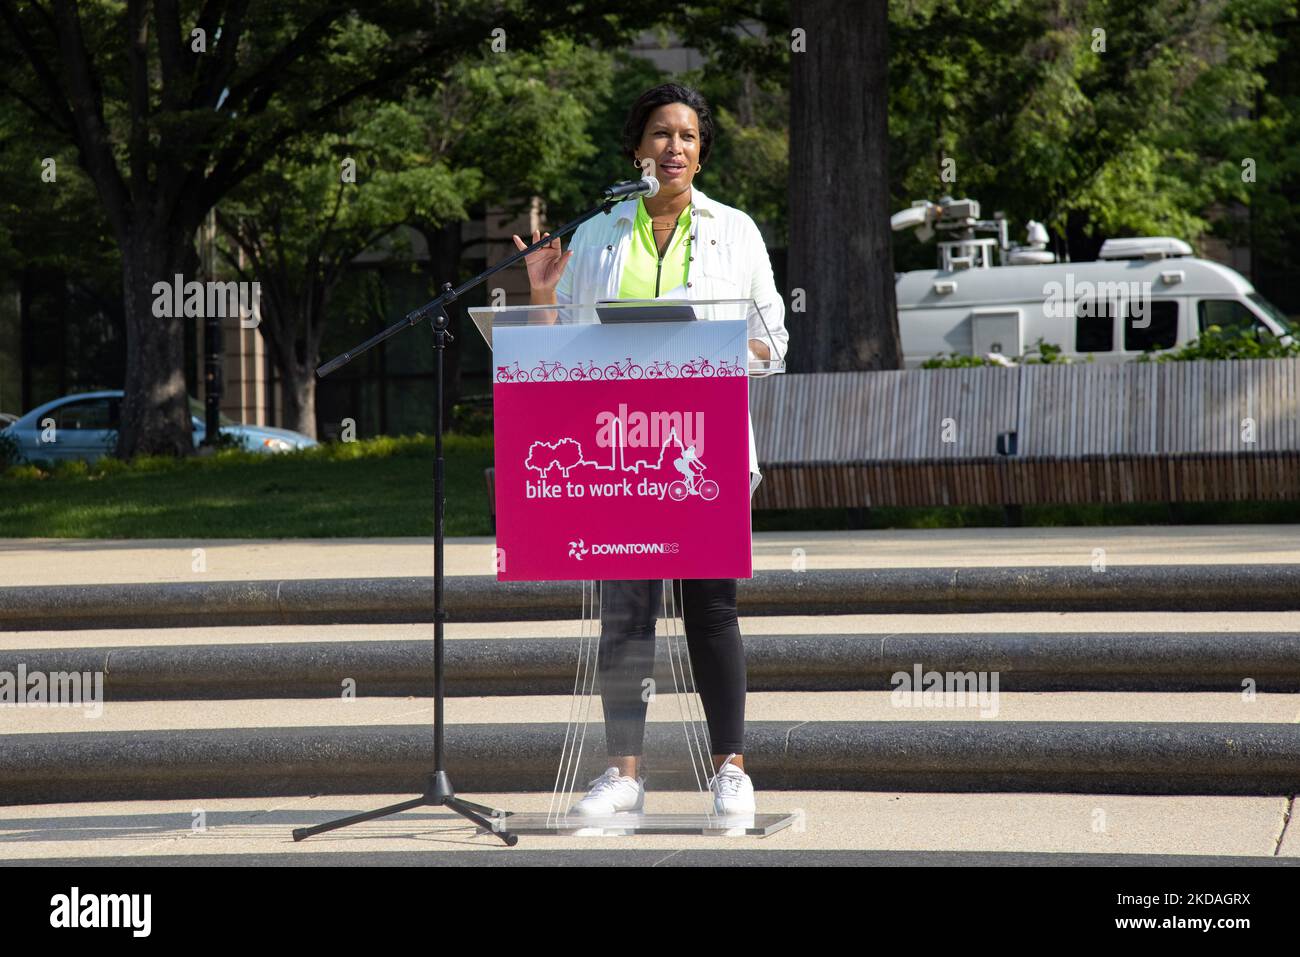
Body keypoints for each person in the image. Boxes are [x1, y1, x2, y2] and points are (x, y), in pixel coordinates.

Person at [512, 83, 789, 817]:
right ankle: (624, 776)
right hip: (617, 454)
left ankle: (730, 767)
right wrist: (542, 294)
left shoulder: (736, 230)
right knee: (626, 612)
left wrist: (713, 345)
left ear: (701, 154)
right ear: (637, 150)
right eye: (662, 135)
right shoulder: (599, 234)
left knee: (712, 609)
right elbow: (559, 350)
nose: (676, 147)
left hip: (703, 447)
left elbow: (775, 342)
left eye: (689, 137)